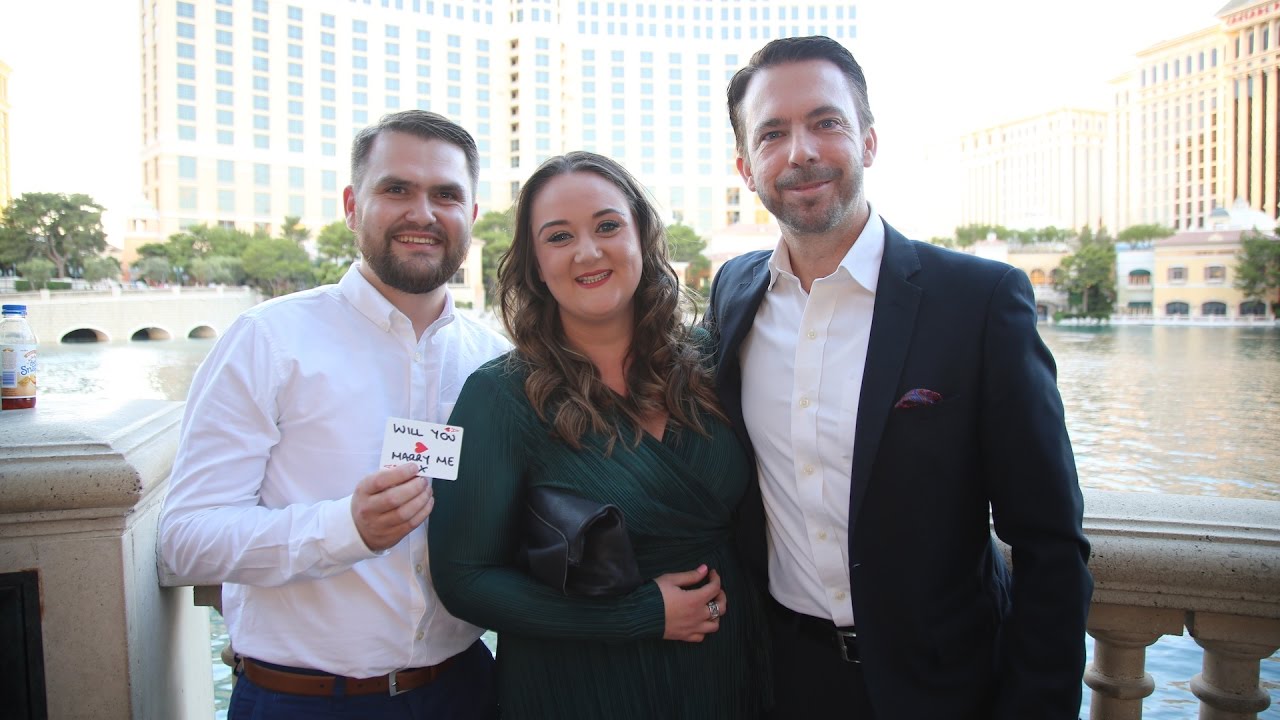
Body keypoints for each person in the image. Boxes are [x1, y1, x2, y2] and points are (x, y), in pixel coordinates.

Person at [706, 36, 1093, 719]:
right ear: (745, 166)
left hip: (947, 686)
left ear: (869, 142)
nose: (801, 152)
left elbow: (1050, 543)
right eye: (773, 133)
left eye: (826, 122)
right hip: (785, 678)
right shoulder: (733, 293)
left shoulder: (979, 302)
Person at [158, 110, 510, 719]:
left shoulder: (497, 361)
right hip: (303, 700)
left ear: (471, 216)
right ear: (353, 205)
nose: (422, 214)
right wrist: (345, 529)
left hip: (466, 690)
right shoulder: (268, 341)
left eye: (446, 194)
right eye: (396, 189)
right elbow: (185, 541)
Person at [429, 151, 770, 719]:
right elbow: (463, 579)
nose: (589, 252)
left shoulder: (712, 361)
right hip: (578, 686)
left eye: (608, 226)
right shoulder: (497, 398)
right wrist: (639, 616)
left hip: (727, 673)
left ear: (641, 235)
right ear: (536, 264)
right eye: (559, 237)